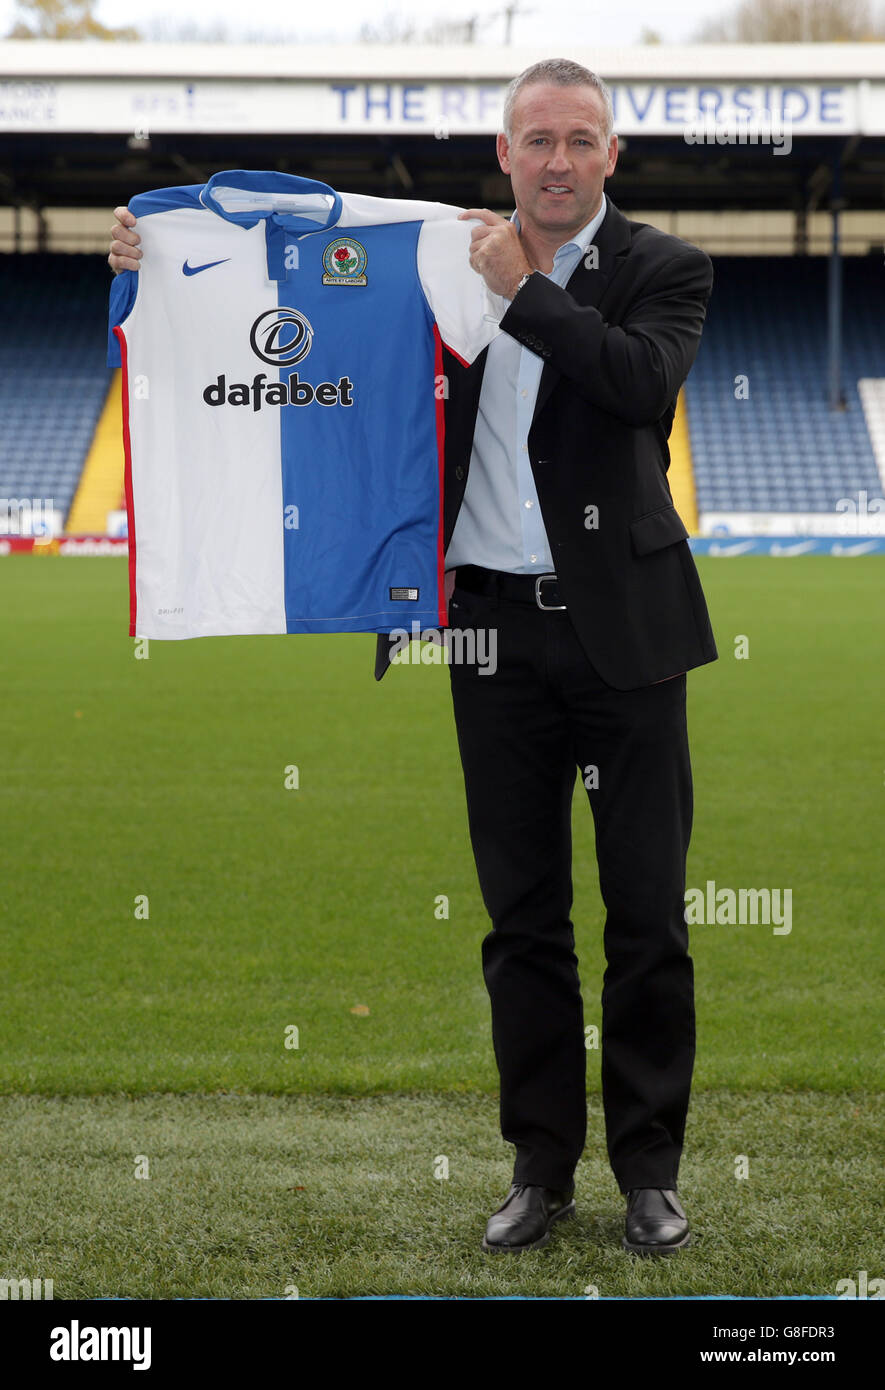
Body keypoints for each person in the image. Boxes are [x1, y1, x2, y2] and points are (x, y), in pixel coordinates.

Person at [108, 57, 717, 1258]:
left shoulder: (665, 267)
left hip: (630, 635)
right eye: (535, 139)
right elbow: (301, 311)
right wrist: (162, 264)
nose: (556, 160)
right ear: (504, 153)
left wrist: (526, 289)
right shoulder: (441, 262)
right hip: (488, 628)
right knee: (522, 915)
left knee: (646, 913)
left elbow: (636, 381)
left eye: (580, 139)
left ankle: (650, 1171)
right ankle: (540, 1169)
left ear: (612, 154)